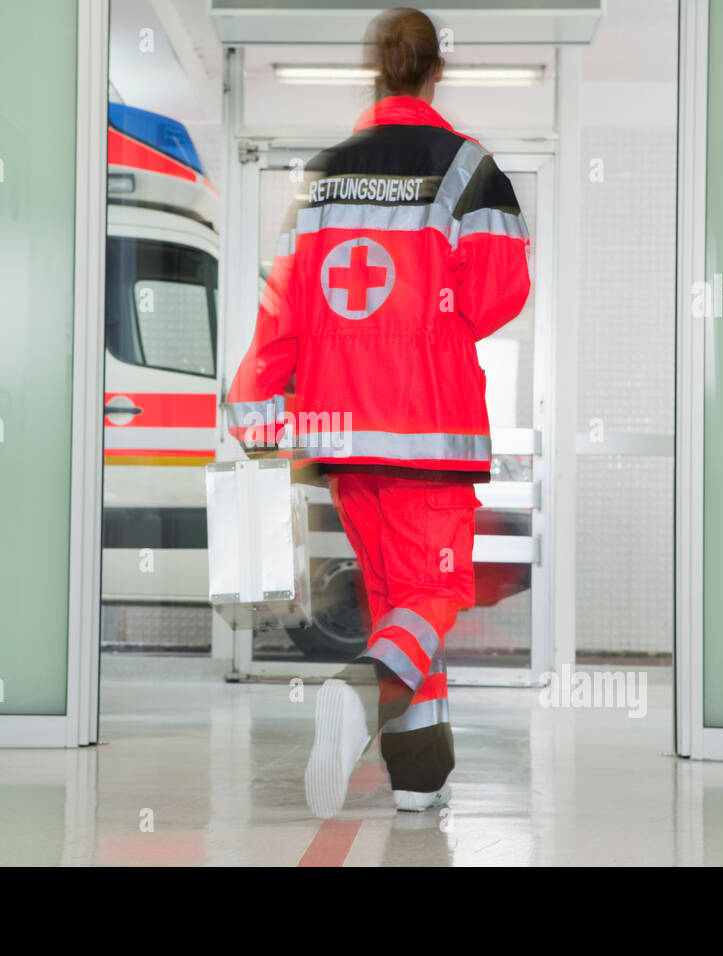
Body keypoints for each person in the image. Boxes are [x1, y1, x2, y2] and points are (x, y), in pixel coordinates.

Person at [224, 7, 532, 815]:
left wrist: (256, 402)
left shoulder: (323, 176)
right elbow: (499, 292)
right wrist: (438, 308)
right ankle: (363, 694)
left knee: (401, 605)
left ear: (376, 70)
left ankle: (418, 781)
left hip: (343, 436)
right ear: (436, 72)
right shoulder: (466, 167)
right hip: (429, 431)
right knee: (438, 593)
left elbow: (283, 304)